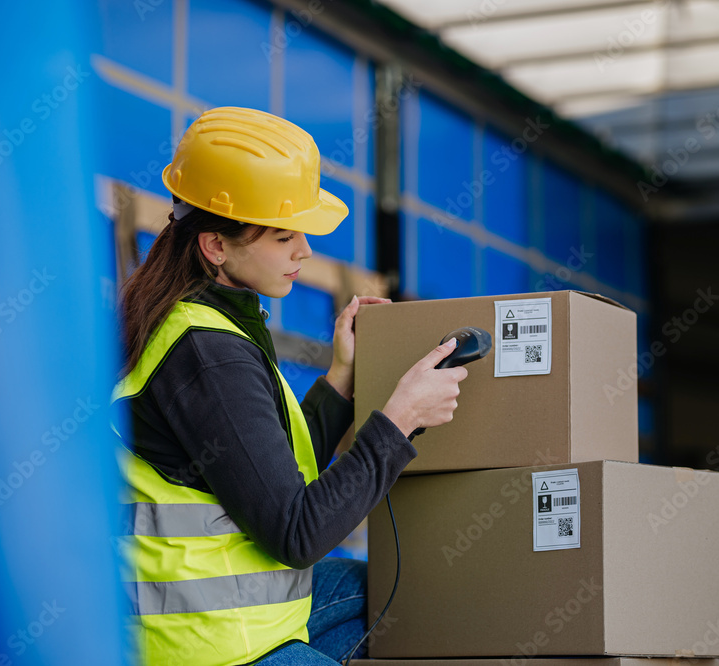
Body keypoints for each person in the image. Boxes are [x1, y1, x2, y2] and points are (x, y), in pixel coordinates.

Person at [113, 106, 468, 666]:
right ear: (216, 245)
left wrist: (341, 378)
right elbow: (298, 533)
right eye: (283, 236)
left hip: (234, 610)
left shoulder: (206, 322)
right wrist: (398, 420)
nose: (304, 250)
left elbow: (268, 474)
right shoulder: (208, 355)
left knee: (392, 590)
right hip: (213, 648)